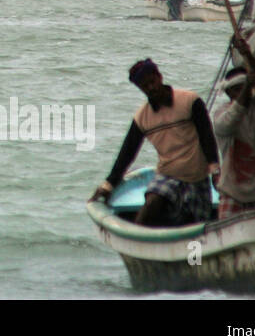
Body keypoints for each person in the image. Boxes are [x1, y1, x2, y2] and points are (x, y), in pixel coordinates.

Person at [89, 59, 220, 226]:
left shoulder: (190, 101)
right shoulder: (142, 117)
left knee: (196, 223)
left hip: (197, 178)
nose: (151, 88)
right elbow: (128, 152)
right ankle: (137, 239)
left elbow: (207, 136)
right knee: (152, 202)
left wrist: (215, 169)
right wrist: (109, 184)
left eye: (152, 82)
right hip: (167, 176)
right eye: (145, 86)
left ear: (160, 76)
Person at [212, 38, 255, 218]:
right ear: (228, 94)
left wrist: (249, 55)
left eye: (244, 87)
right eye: (236, 90)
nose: (243, 92)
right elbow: (232, 118)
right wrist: (247, 86)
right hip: (233, 194)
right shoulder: (221, 115)